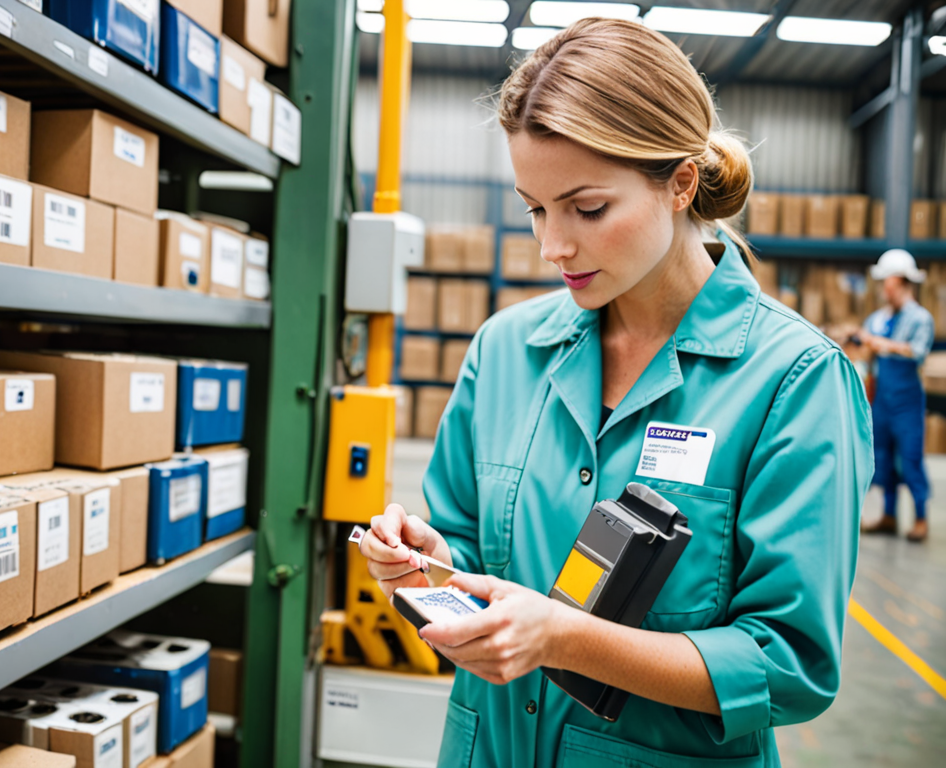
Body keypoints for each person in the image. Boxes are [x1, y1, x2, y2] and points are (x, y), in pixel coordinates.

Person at [360, 19, 873, 768]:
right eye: (536, 208)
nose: (553, 246)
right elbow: (469, 546)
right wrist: (431, 564)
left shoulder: (792, 380)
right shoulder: (505, 351)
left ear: (680, 184)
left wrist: (567, 640)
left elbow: (789, 666)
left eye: (587, 208)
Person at [860, 249, 934, 542]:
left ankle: (920, 518)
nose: (884, 290)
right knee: (883, 457)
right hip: (883, 401)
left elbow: (917, 351)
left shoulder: (920, 319)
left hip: (906, 403)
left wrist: (883, 344)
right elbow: (869, 352)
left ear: (904, 283)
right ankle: (889, 516)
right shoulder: (878, 318)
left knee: (910, 458)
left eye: (888, 284)